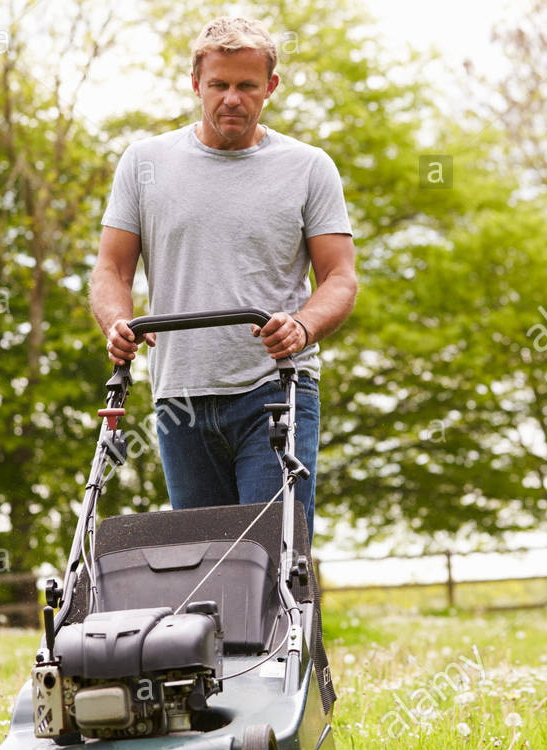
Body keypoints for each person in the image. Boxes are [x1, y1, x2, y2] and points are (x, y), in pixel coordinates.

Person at [90, 15, 357, 541]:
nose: (231, 99)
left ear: (270, 87)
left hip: (276, 391)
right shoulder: (144, 163)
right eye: (219, 85)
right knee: (200, 571)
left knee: (272, 556)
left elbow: (340, 277)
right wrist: (117, 322)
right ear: (196, 85)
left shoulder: (308, 167)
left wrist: (301, 328)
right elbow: (111, 269)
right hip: (179, 399)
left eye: (246, 86)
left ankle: (291, 625)